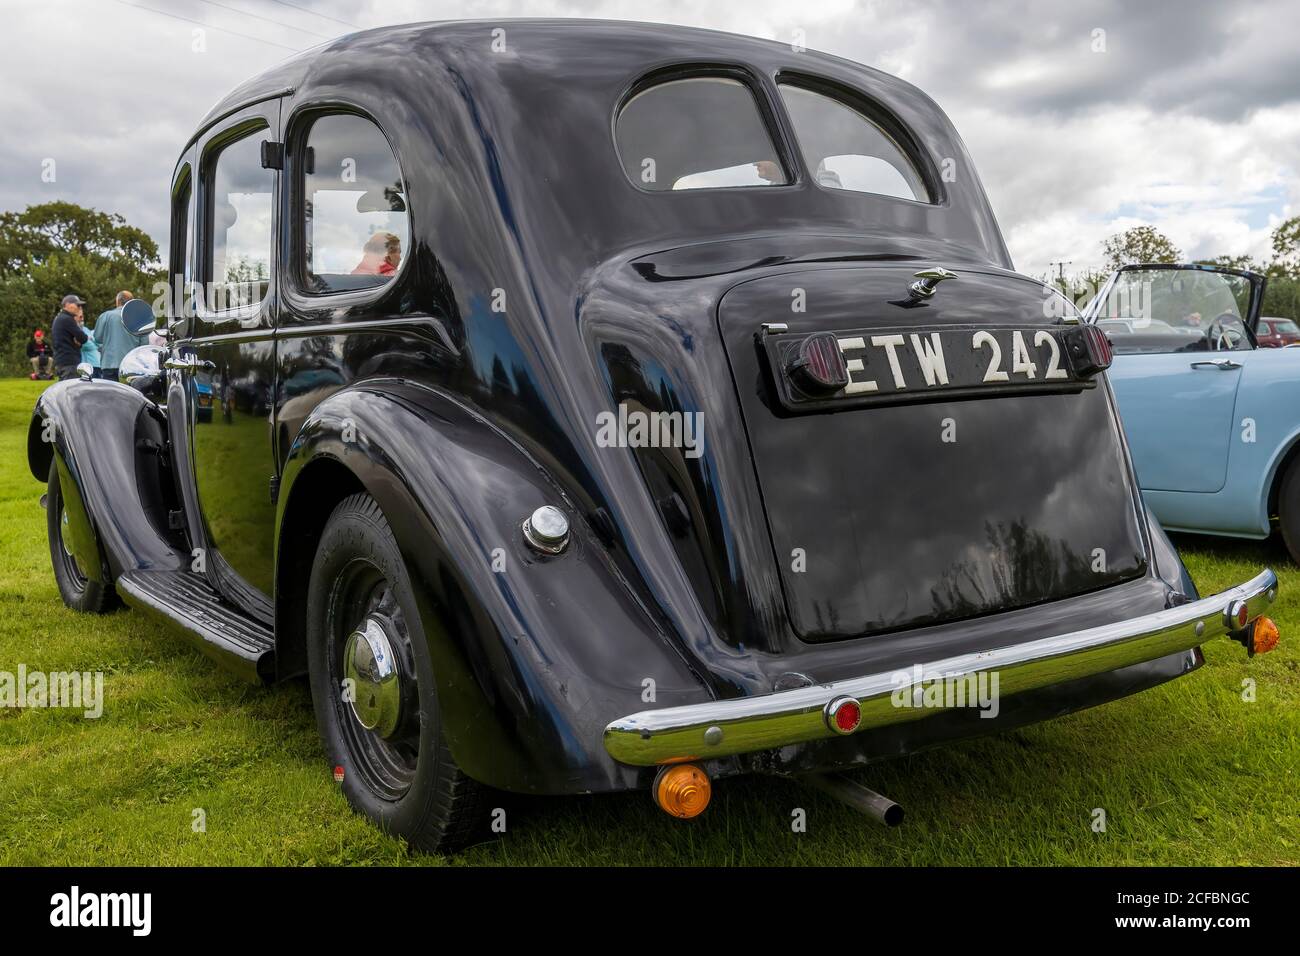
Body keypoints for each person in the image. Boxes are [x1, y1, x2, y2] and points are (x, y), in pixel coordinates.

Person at [93, 290, 147, 381]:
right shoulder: (140, 319)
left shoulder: (106, 316)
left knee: (110, 393)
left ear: (117, 302)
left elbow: (97, 338)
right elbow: (144, 345)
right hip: (131, 365)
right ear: (131, 302)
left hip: (109, 364)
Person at [51, 294, 88, 381]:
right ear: (67, 305)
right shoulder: (67, 319)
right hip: (69, 363)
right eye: (77, 305)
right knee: (71, 391)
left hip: (62, 361)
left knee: (65, 390)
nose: (79, 308)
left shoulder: (59, 318)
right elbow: (83, 338)